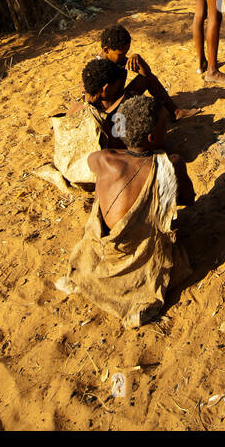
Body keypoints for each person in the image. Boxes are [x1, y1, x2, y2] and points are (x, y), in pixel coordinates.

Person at [62, 95, 196, 327]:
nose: (168, 128)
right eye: (165, 125)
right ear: (153, 137)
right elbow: (188, 200)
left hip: (101, 248)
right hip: (136, 252)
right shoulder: (168, 164)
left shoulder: (103, 158)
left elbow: (92, 162)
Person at [99, 24, 190, 119]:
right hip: (111, 114)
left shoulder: (117, 59)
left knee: (148, 79)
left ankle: (176, 112)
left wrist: (138, 59)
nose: (124, 56)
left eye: (126, 52)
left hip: (120, 102)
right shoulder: (98, 69)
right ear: (106, 50)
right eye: (121, 54)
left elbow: (147, 74)